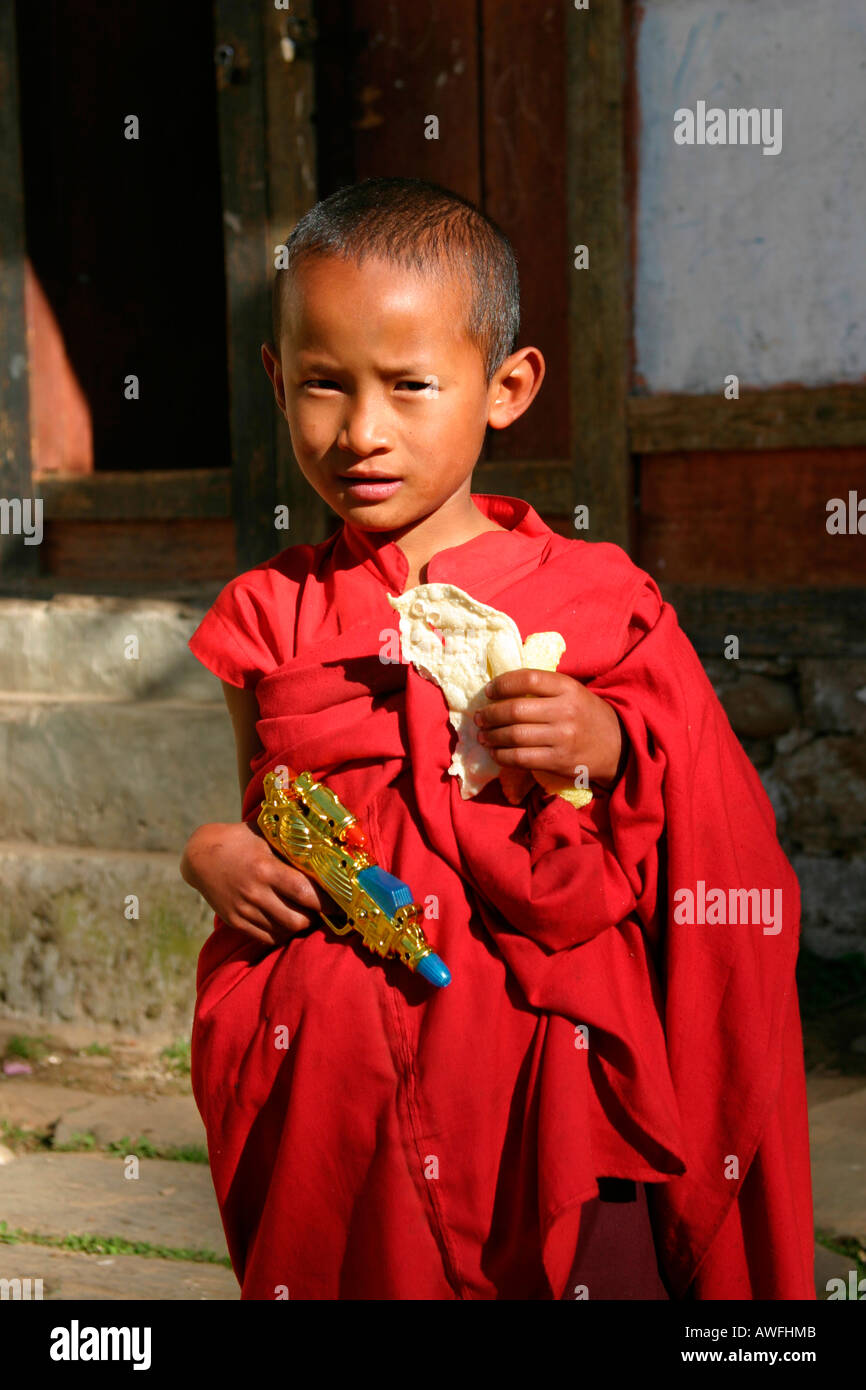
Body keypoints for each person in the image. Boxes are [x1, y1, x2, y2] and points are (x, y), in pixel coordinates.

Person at [180, 176, 815, 1301]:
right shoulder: (266, 615)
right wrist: (213, 857)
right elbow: (269, 811)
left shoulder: (592, 593)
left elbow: (712, 823)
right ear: (277, 384)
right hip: (342, 1093)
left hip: (544, 1073)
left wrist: (608, 740)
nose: (360, 431)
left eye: (409, 385)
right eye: (323, 385)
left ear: (505, 387)